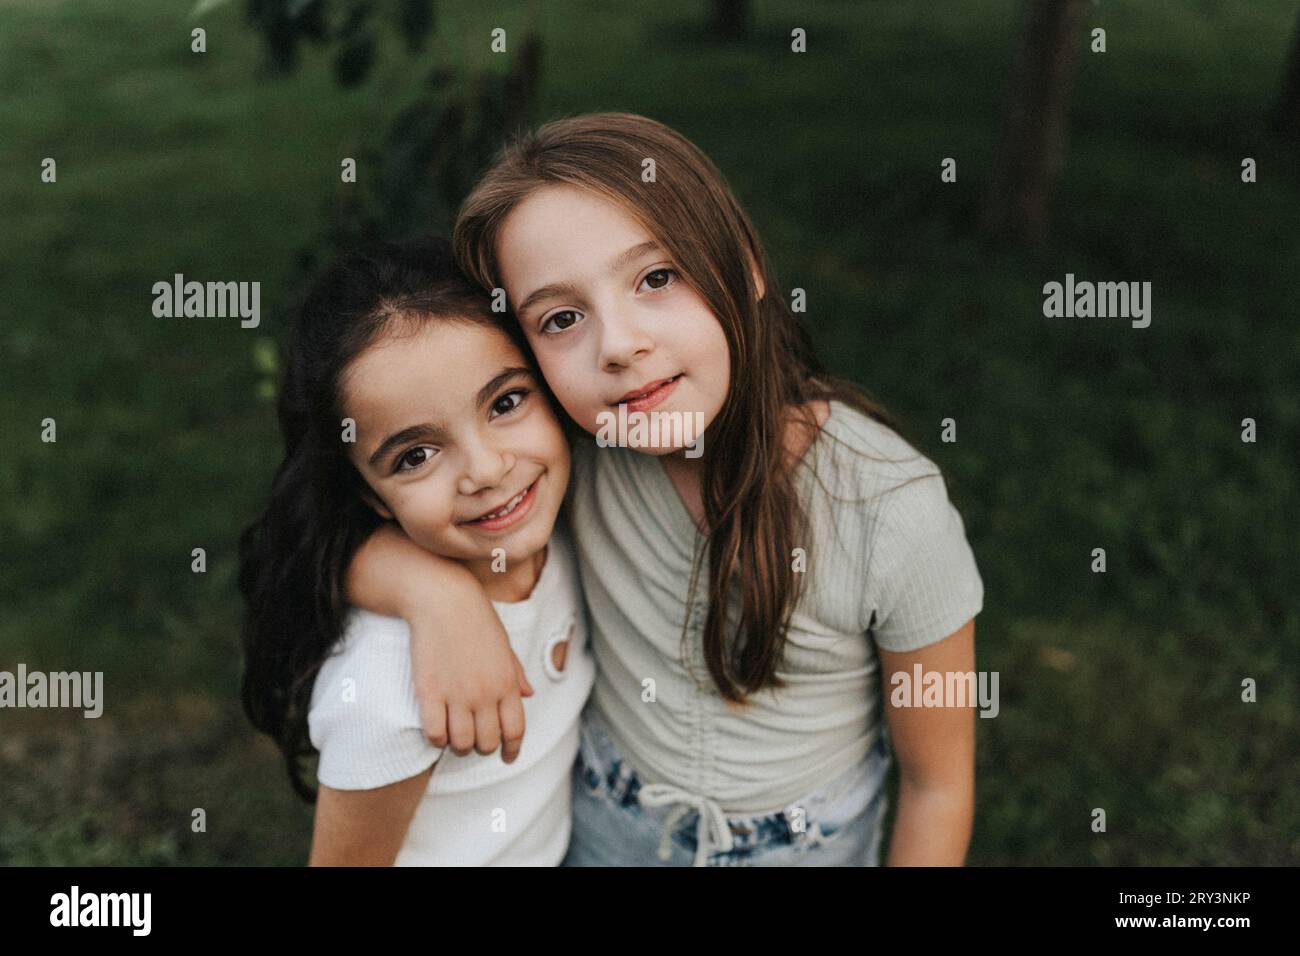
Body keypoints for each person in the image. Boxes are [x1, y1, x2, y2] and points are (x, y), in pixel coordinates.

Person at [347, 113, 985, 866]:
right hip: (605, 827)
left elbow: (938, 787)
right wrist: (436, 597)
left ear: (744, 264)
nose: (618, 346)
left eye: (656, 278)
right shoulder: (569, 459)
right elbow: (344, 543)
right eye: (560, 318)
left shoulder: (893, 510)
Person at [238, 236, 593, 865]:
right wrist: (435, 596)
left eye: (505, 402)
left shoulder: (572, 514)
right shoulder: (385, 691)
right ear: (372, 496)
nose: (486, 470)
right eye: (416, 456)